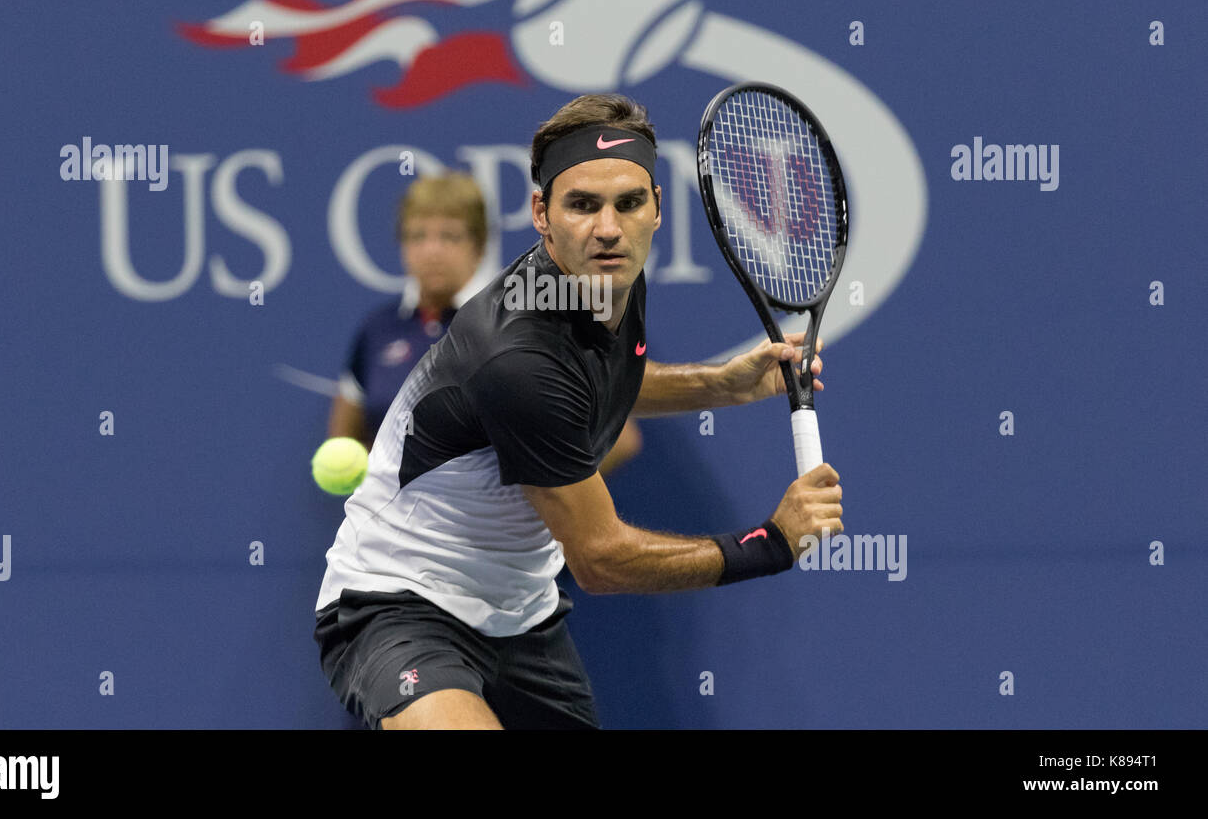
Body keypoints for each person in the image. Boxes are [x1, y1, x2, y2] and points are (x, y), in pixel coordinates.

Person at [313, 94, 841, 730]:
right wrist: (772, 543)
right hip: (400, 602)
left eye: (628, 202)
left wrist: (721, 385)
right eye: (583, 204)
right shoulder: (517, 359)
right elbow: (601, 559)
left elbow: (594, 384)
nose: (609, 227)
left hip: (521, 612)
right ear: (542, 212)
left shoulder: (607, 277)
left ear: (656, 207)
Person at [328, 171, 641, 472]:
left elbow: (620, 440)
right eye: (417, 236)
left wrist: (541, 507)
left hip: (493, 527)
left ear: (478, 248)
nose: (432, 250)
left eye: (449, 236)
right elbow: (344, 439)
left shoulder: (525, 321)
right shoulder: (378, 329)